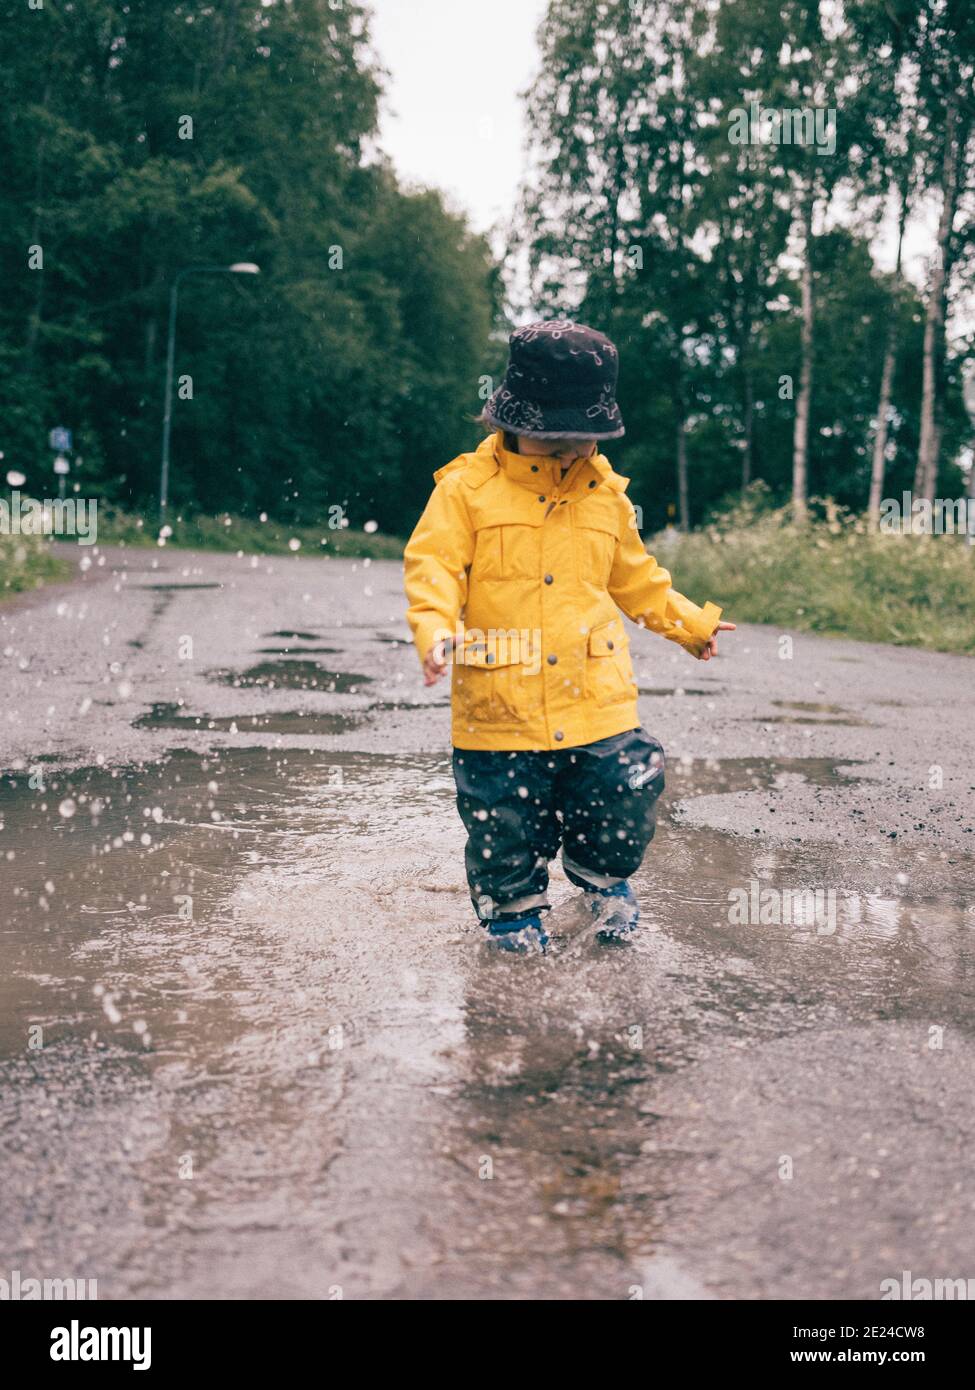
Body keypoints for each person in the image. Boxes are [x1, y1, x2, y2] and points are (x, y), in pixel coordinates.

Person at [404, 319, 735, 951]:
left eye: (586, 440)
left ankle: (600, 878)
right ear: (513, 423)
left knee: (627, 789)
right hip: (500, 709)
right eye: (557, 441)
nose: (573, 454)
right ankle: (513, 917)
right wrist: (435, 628)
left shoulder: (607, 498)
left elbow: (639, 581)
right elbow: (434, 566)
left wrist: (691, 624)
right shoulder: (465, 493)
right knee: (503, 826)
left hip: (596, 700)